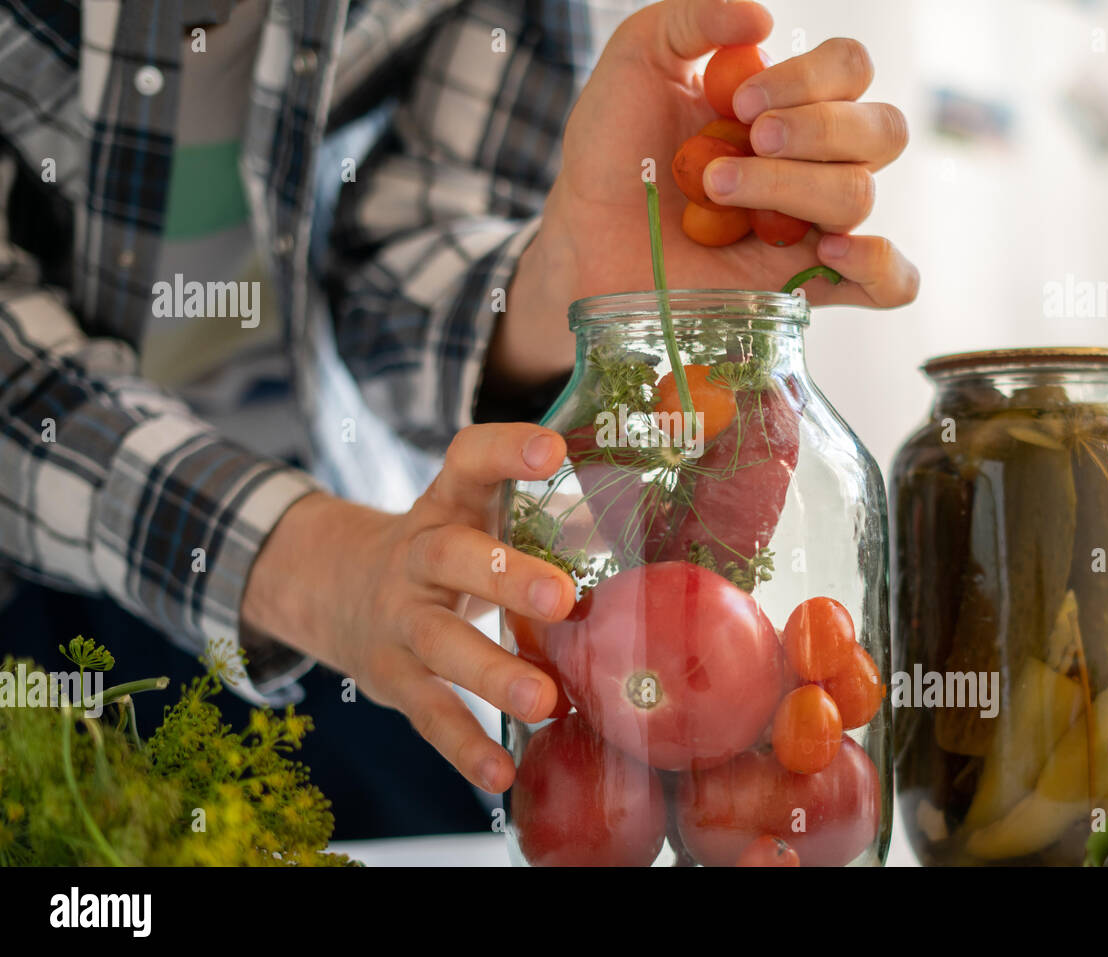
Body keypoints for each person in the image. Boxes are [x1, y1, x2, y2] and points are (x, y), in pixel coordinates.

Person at [0, 0, 916, 836]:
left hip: (351, 545)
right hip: (61, 560)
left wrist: (561, 280)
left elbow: (399, 253)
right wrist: (322, 565)